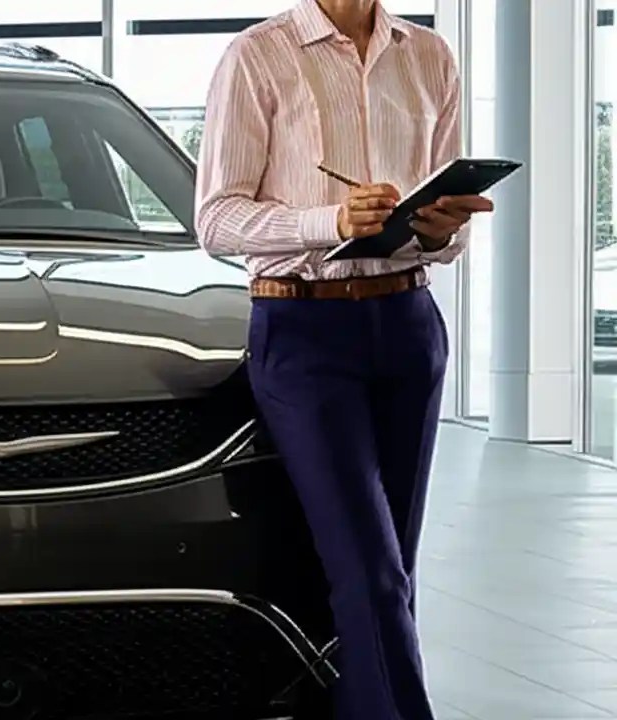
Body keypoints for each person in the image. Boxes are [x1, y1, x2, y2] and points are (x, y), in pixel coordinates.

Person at [194, 1, 494, 719]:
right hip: (303, 327)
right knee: (368, 568)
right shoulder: (258, 55)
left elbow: (438, 239)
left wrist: (438, 227)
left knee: (394, 567)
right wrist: (328, 220)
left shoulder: (429, 56)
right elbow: (215, 218)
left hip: (408, 322)